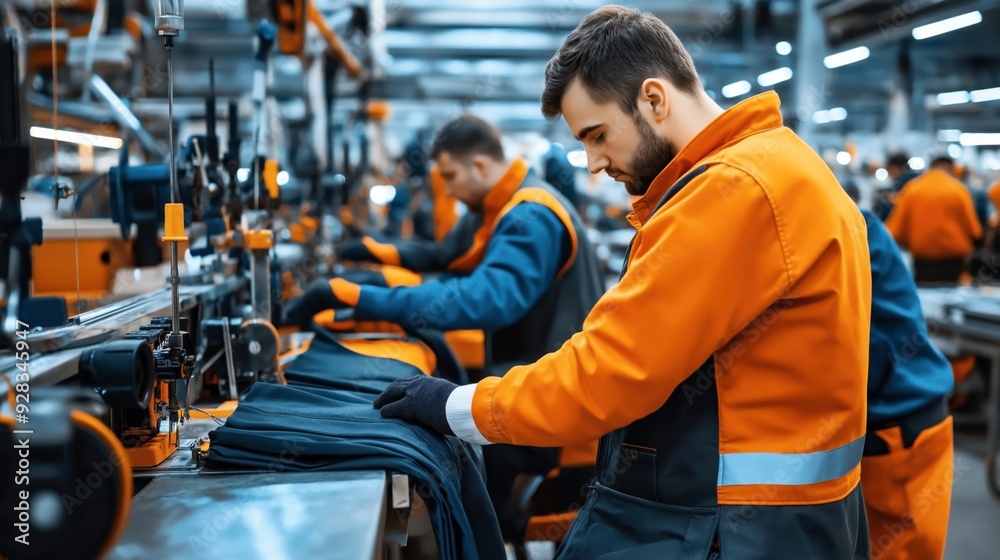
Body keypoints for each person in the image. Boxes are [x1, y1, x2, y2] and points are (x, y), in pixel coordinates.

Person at [372, 6, 872, 559]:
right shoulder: (782, 165)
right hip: (793, 514)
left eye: (598, 134)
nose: (591, 163)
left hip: (742, 525)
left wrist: (458, 407)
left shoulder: (733, 190)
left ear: (654, 100)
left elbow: (611, 370)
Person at [283, 114, 605, 542]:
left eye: (451, 176)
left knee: (469, 491)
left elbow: (484, 298)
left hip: (554, 412)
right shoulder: (497, 208)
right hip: (528, 384)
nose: (448, 189)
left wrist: (359, 296)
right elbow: (445, 256)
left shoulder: (532, 216)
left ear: (480, 167)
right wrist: (376, 255)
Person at [844, 182, 955, 558]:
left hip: (897, 424)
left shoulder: (834, 229)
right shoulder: (859, 221)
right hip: (909, 413)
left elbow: (866, 350)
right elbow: (972, 230)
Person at [885, 156, 982, 284]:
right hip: (954, 261)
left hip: (922, 261)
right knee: (952, 297)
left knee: (927, 296)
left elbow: (895, 231)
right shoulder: (959, 190)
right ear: (951, 169)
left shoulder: (912, 189)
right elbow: (975, 231)